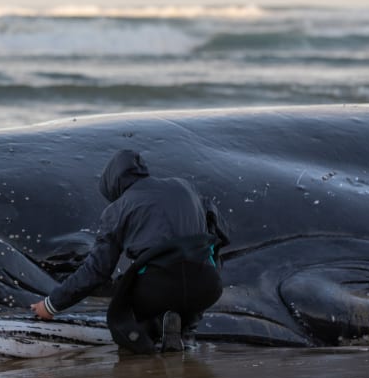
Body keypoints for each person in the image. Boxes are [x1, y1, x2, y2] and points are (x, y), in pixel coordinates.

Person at [30, 149, 228, 354]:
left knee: (124, 310)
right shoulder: (184, 186)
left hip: (159, 287)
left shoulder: (118, 209)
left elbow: (97, 270)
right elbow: (220, 233)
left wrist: (51, 304)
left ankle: (148, 339)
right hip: (207, 285)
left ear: (113, 183)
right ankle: (186, 332)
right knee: (195, 271)